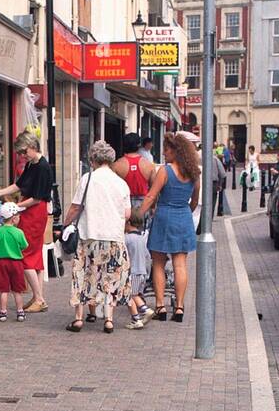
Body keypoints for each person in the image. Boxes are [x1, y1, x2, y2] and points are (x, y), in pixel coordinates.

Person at [63, 141, 131, 335]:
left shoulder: (88, 179)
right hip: (113, 237)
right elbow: (127, 214)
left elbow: (76, 207)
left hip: (89, 235)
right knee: (109, 278)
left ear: (93, 159)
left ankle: (78, 318)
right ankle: (108, 320)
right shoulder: (120, 183)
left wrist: (66, 224)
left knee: (83, 275)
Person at [139, 131, 201, 323]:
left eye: (166, 150)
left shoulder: (165, 171)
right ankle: (180, 307)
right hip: (183, 216)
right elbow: (195, 201)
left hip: (164, 216)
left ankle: (160, 306)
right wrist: (184, 211)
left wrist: (137, 214)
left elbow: (151, 196)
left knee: (158, 263)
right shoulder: (193, 173)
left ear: (176, 151)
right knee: (180, 264)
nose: (165, 154)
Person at [0, 131, 54, 312]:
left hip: (34, 211)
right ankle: (37, 297)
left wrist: (16, 207)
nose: (23, 156)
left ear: (33, 147)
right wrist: (1, 192)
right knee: (34, 255)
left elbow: (36, 198)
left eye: (24, 152)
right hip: (32, 209)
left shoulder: (42, 167)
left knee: (25, 253)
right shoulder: (32, 164)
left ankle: (40, 298)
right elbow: (19, 185)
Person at [113, 132, 156, 325]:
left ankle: (128, 283)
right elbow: (154, 190)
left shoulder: (117, 165)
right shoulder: (148, 165)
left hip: (125, 204)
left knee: (124, 246)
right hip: (143, 206)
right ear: (139, 146)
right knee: (141, 243)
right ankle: (138, 286)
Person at [0, 202, 30, 322]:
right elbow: (24, 246)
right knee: (17, 290)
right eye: (18, 215)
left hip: (1, 263)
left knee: (3, 290)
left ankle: (3, 313)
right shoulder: (19, 232)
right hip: (17, 264)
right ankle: (20, 312)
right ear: (13, 218)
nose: (20, 217)